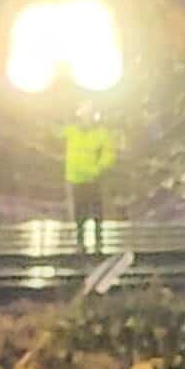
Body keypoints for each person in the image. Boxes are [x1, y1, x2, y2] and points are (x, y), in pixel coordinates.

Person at [60, 104, 119, 255]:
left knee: (96, 211)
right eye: (84, 116)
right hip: (76, 179)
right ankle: (80, 242)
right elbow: (55, 135)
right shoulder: (71, 132)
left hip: (93, 179)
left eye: (89, 116)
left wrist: (98, 168)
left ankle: (99, 241)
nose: (86, 120)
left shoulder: (101, 134)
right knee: (79, 212)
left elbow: (109, 154)